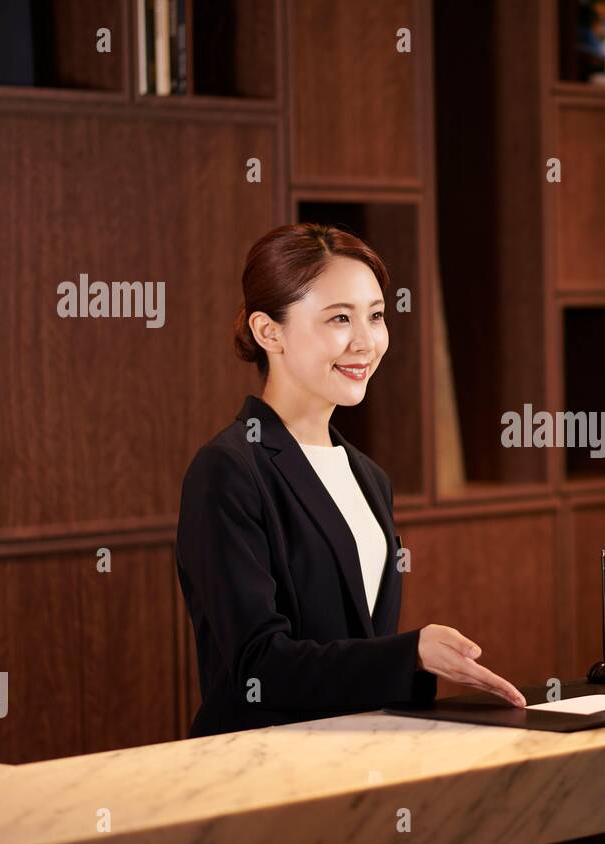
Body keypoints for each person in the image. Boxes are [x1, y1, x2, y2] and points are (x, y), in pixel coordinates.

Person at [178, 224, 525, 737]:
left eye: (377, 316)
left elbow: (354, 644)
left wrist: (417, 661)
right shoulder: (228, 470)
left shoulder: (367, 476)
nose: (367, 342)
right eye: (340, 318)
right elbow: (257, 666)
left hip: (354, 758)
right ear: (268, 331)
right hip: (260, 772)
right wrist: (410, 653)